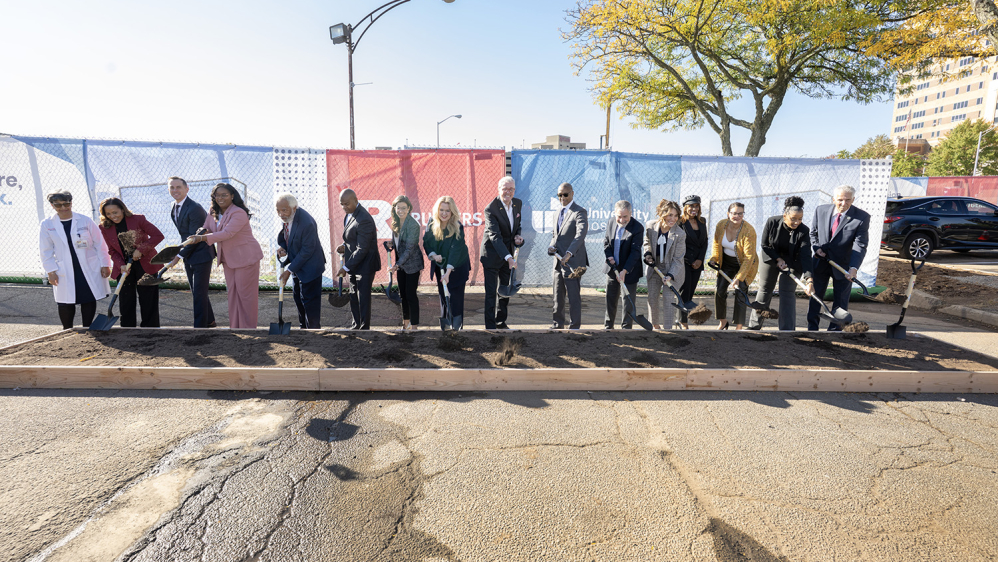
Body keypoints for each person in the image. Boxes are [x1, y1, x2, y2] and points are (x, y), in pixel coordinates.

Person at [187, 183, 263, 329]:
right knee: (233, 294)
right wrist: (201, 231)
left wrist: (201, 238)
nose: (220, 198)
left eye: (224, 195)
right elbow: (208, 227)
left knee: (245, 296)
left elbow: (227, 234)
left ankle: (248, 328)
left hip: (246, 258)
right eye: (218, 195)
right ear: (214, 197)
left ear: (232, 196)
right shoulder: (213, 211)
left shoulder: (239, 213)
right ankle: (235, 327)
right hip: (229, 259)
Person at [39, 191, 112, 329]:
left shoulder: (85, 220)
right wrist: (51, 271)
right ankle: (67, 330)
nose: (63, 208)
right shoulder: (47, 224)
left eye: (66, 204)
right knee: (65, 301)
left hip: (87, 266)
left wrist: (105, 264)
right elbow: (45, 250)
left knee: (88, 297)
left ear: (71, 203)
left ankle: (87, 328)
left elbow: (99, 244)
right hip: (63, 268)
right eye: (58, 205)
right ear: (52, 205)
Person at [808, 185, 870, 331]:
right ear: (833, 199)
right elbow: (813, 234)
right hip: (820, 263)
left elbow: (860, 245)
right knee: (816, 297)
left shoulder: (861, 217)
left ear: (853, 199)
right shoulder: (821, 210)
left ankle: (835, 331)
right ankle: (812, 328)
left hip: (843, 266)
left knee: (841, 300)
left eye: (848, 200)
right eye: (840, 200)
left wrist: (853, 268)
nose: (843, 203)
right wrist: (817, 249)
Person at [747, 196, 815, 331]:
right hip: (771, 257)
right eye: (793, 219)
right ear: (785, 216)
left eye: (800, 219)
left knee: (787, 292)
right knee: (765, 289)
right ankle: (754, 326)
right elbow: (765, 245)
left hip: (793, 262)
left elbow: (806, 255)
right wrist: (778, 259)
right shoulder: (772, 222)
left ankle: (787, 329)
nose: (797, 222)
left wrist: (809, 280)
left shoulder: (804, 231)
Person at [98, 197, 165, 327]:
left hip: (145, 265)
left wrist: (141, 249)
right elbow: (111, 250)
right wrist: (120, 265)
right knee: (126, 300)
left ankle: (150, 328)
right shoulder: (104, 227)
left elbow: (158, 235)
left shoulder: (138, 219)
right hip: (124, 268)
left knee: (148, 299)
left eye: (115, 212)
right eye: (108, 214)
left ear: (122, 209)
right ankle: (128, 328)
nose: (113, 216)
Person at [166, 176, 216, 328]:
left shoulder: (195, 208)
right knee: (196, 291)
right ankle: (210, 321)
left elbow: (195, 237)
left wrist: (178, 256)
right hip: (189, 253)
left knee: (199, 293)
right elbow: (184, 235)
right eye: (172, 187)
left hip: (201, 253)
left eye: (178, 187)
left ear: (186, 188)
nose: (175, 190)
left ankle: (199, 327)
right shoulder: (174, 207)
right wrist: (181, 253)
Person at [276, 193, 326, 329]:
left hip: (310, 268)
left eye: (284, 210)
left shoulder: (307, 223)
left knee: (310, 303)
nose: (281, 214)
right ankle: (304, 329)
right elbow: (291, 237)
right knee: (299, 299)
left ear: (294, 208)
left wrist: (289, 270)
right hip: (298, 267)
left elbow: (306, 251)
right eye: (278, 210)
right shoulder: (289, 216)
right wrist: (284, 247)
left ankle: (314, 332)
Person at [480, 176, 524, 330]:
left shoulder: (518, 203)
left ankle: (501, 322)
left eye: (511, 189)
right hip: (492, 255)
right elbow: (495, 236)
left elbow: (516, 227)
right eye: (505, 188)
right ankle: (490, 327)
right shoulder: (490, 209)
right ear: (499, 190)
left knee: (505, 291)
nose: (508, 192)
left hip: (508, 255)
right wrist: (509, 257)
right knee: (491, 292)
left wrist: (518, 237)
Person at [708, 202, 758, 330]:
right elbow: (716, 244)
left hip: (744, 263)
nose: (737, 216)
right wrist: (714, 258)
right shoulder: (721, 225)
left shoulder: (749, 230)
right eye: (734, 213)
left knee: (740, 291)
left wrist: (739, 277)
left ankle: (739, 326)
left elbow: (749, 258)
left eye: (740, 213)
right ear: (728, 214)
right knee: (719, 290)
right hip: (726, 263)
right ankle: (723, 322)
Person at [336, 188, 381, 330]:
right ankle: (356, 326)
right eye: (342, 204)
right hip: (355, 264)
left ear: (356, 200)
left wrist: (345, 267)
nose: (344, 207)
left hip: (365, 265)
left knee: (363, 299)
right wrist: (344, 246)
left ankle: (364, 329)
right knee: (353, 295)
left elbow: (363, 248)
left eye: (347, 204)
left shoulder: (364, 219)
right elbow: (353, 238)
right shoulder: (349, 215)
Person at [422, 196, 470, 329]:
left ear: (452, 212)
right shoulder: (432, 222)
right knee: (444, 296)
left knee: (456, 297)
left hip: (457, 265)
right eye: (441, 210)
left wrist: (448, 272)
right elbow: (426, 242)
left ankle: (457, 327)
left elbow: (456, 250)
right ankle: (446, 326)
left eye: (447, 211)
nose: (444, 213)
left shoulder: (457, 226)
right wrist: (433, 255)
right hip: (440, 265)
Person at [547, 182, 589, 329]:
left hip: (572, 262)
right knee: (557, 295)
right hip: (558, 261)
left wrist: (569, 253)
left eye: (565, 194)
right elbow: (555, 235)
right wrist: (552, 246)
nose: (562, 197)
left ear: (572, 193)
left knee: (573, 296)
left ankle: (574, 326)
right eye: (559, 195)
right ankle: (558, 324)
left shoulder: (579, 211)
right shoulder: (557, 212)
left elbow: (580, 235)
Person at [643, 200, 687, 330]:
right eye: (669, 215)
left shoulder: (680, 234)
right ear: (662, 214)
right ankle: (654, 326)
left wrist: (670, 275)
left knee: (668, 298)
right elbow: (646, 242)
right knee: (652, 297)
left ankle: (668, 329)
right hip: (655, 267)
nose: (673, 219)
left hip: (672, 269)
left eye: (675, 215)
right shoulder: (650, 226)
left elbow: (678, 259)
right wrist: (648, 254)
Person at [602, 200, 644, 329]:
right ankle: (608, 326)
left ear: (631, 214)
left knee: (628, 300)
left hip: (629, 270)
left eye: (625, 216)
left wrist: (625, 271)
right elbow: (606, 242)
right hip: (612, 268)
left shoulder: (637, 228)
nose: (621, 220)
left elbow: (635, 252)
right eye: (619, 216)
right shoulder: (611, 222)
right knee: (611, 298)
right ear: (615, 213)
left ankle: (626, 328)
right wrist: (609, 256)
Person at [386, 195, 424, 330]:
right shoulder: (395, 223)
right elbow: (399, 243)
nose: (400, 210)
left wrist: (396, 265)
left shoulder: (413, 225)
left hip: (412, 265)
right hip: (401, 265)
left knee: (410, 294)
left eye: (403, 208)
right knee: (403, 294)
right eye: (398, 208)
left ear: (409, 209)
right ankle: (405, 323)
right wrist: (392, 244)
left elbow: (409, 249)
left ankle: (414, 326)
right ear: (394, 209)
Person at [678, 195, 708, 329]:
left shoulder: (702, 221)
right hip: (684, 262)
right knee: (684, 293)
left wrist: (700, 260)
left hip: (697, 263)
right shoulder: (679, 222)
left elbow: (704, 242)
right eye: (691, 206)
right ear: (685, 207)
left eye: (696, 206)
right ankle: (682, 321)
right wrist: (690, 261)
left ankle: (683, 320)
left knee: (690, 293)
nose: (694, 209)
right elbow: (679, 244)